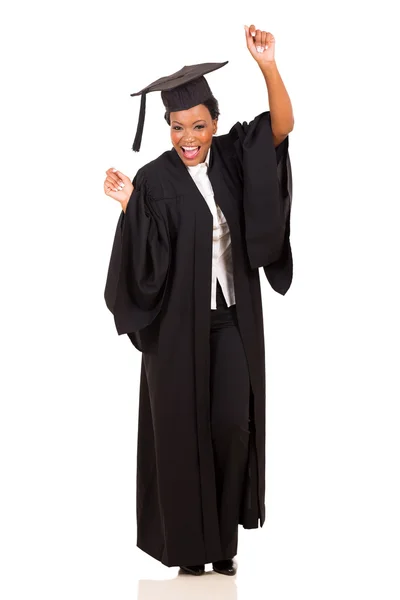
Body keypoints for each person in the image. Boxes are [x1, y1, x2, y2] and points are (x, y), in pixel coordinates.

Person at [103, 24, 294, 576]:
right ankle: (192, 551)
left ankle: (223, 541)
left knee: (232, 426)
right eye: (178, 127)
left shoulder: (233, 157)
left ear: (214, 123)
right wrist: (129, 207)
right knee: (183, 431)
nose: (188, 137)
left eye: (198, 126)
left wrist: (268, 67)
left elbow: (280, 129)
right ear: (167, 126)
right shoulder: (154, 180)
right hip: (176, 330)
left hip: (232, 319)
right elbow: (147, 255)